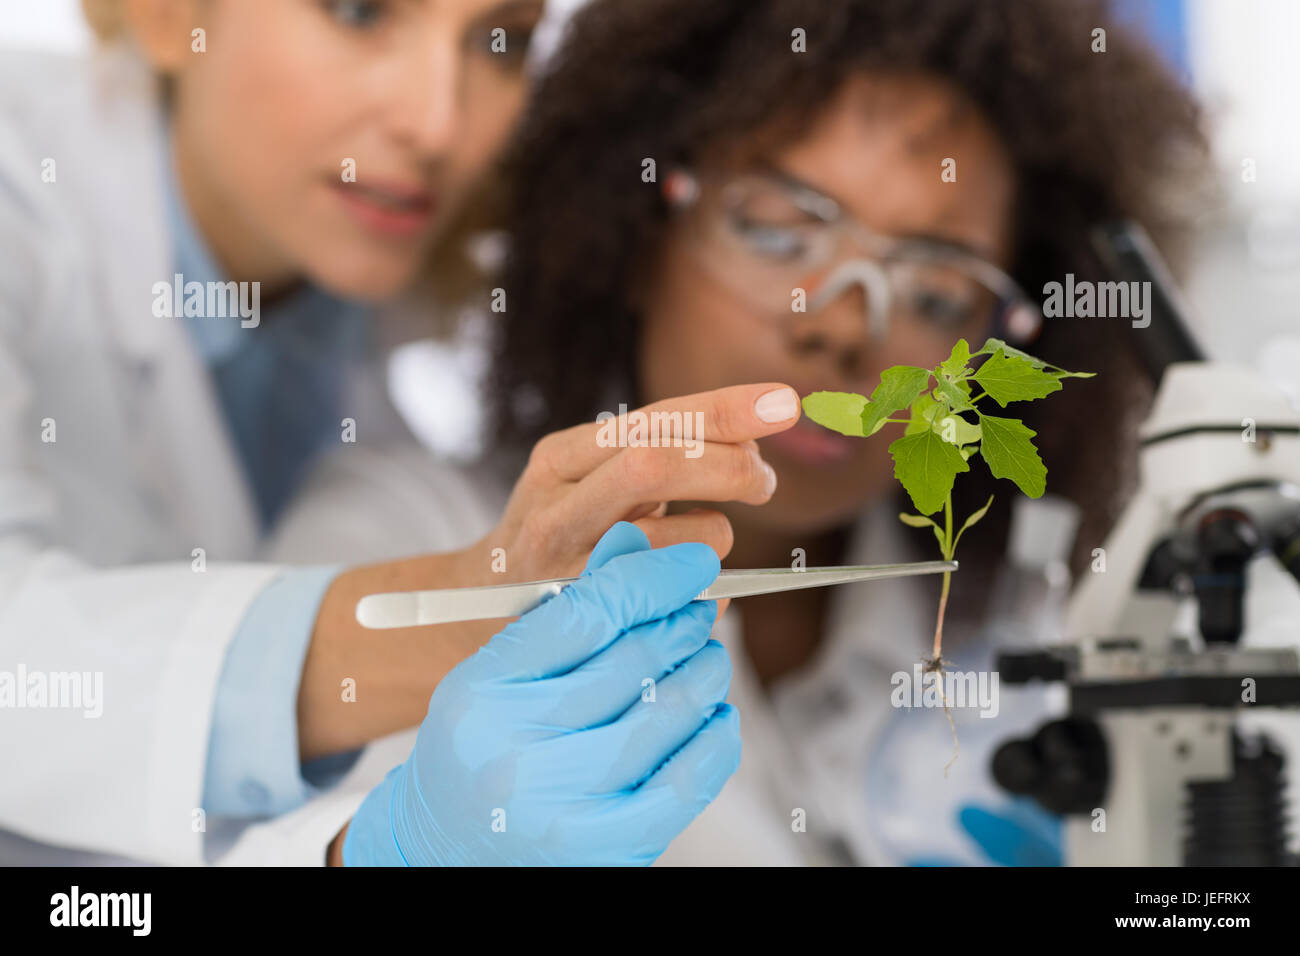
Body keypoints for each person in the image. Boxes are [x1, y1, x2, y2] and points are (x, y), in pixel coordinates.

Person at [262, 0, 1209, 864]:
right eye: (776, 230)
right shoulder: (398, 535)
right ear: (637, 237)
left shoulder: (1026, 645)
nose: (840, 327)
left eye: (933, 290)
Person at [0, 0, 790, 865]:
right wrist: (471, 598)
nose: (437, 123)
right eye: (360, 12)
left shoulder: (370, 300)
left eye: (502, 42)